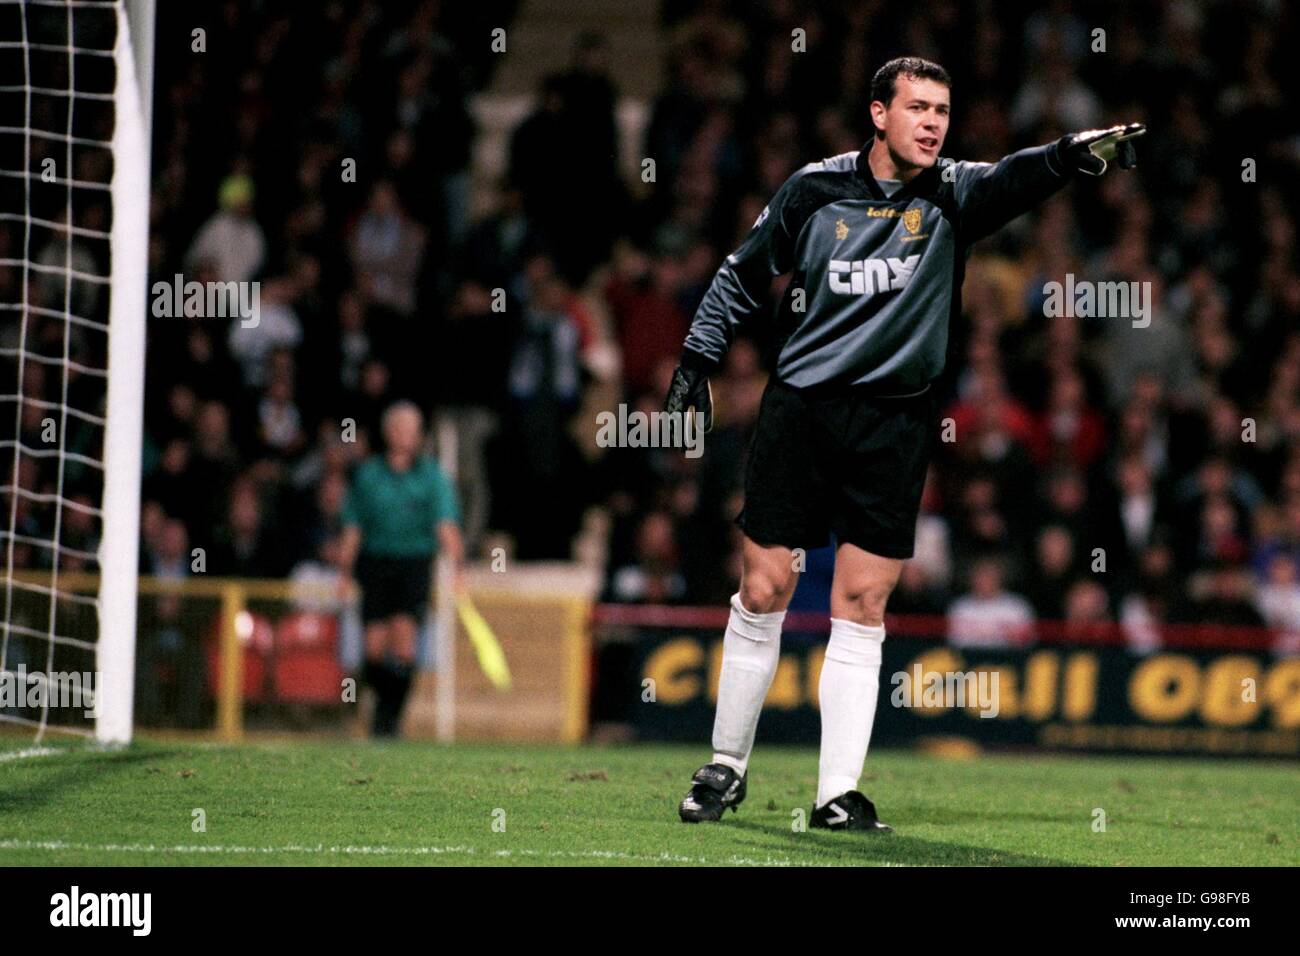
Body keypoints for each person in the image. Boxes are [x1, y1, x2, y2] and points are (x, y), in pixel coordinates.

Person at [665, 57, 1144, 831]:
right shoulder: (814, 191)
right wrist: (694, 363)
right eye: (917, 107)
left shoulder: (953, 192)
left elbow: (1016, 178)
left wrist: (1067, 155)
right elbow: (739, 276)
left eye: (943, 111)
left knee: (864, 602)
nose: (932, 123)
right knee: (763, 589)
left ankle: (835, 795)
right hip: (802, 411)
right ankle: (725, 765)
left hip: (895, 423)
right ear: (878, 114)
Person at [337, 401, 464, 736]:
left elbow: (446, 525)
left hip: (413, 565)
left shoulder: (432, 476)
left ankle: (388, 722)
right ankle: (378, 709)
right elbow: (353, 527)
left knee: (405, 647)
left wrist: (458, 569)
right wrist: (344, 572)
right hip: (376, 563)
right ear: (388, 433)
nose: (409, 436)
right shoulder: (368, 475)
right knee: (374, 648)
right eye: (402, 428)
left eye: (414, 429)